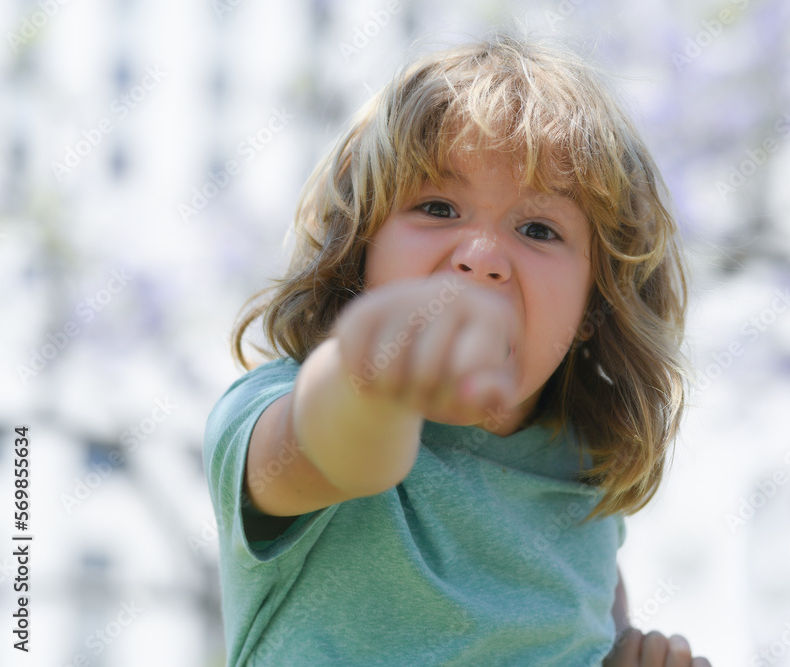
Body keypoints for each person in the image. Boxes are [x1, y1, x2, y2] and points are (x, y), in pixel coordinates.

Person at [203, 27, 710, 667]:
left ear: (594, 307)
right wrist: (374, 371)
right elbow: (336, 448)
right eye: (439, 208)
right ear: (359, 254)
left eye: (537, 228)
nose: (479, 257)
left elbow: (585, 629)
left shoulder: (582, 475)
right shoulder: (281, 410)